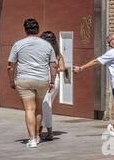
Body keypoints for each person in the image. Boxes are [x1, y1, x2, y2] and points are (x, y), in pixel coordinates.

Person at [7, 18, 57, 149]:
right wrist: (52, 81)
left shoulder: (18, 44)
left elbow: (10, 66)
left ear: (25, 30)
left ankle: (32, 138)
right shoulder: (47, 45)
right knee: (39, 108)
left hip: (24, 79)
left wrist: (11, 81)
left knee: (29, 109)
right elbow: (53, 66)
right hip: (42, 80)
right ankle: (38, 136)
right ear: (38, 29)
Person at [39, 31, 68, 142]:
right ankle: (39, 130)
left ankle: (49, 132)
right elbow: (63, 68)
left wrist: (53, 69)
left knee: (46, 106)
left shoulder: (50, 52)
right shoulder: (57, 53)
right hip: (54, 81)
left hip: (50, 81)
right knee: (44, 106)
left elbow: (62, 68)